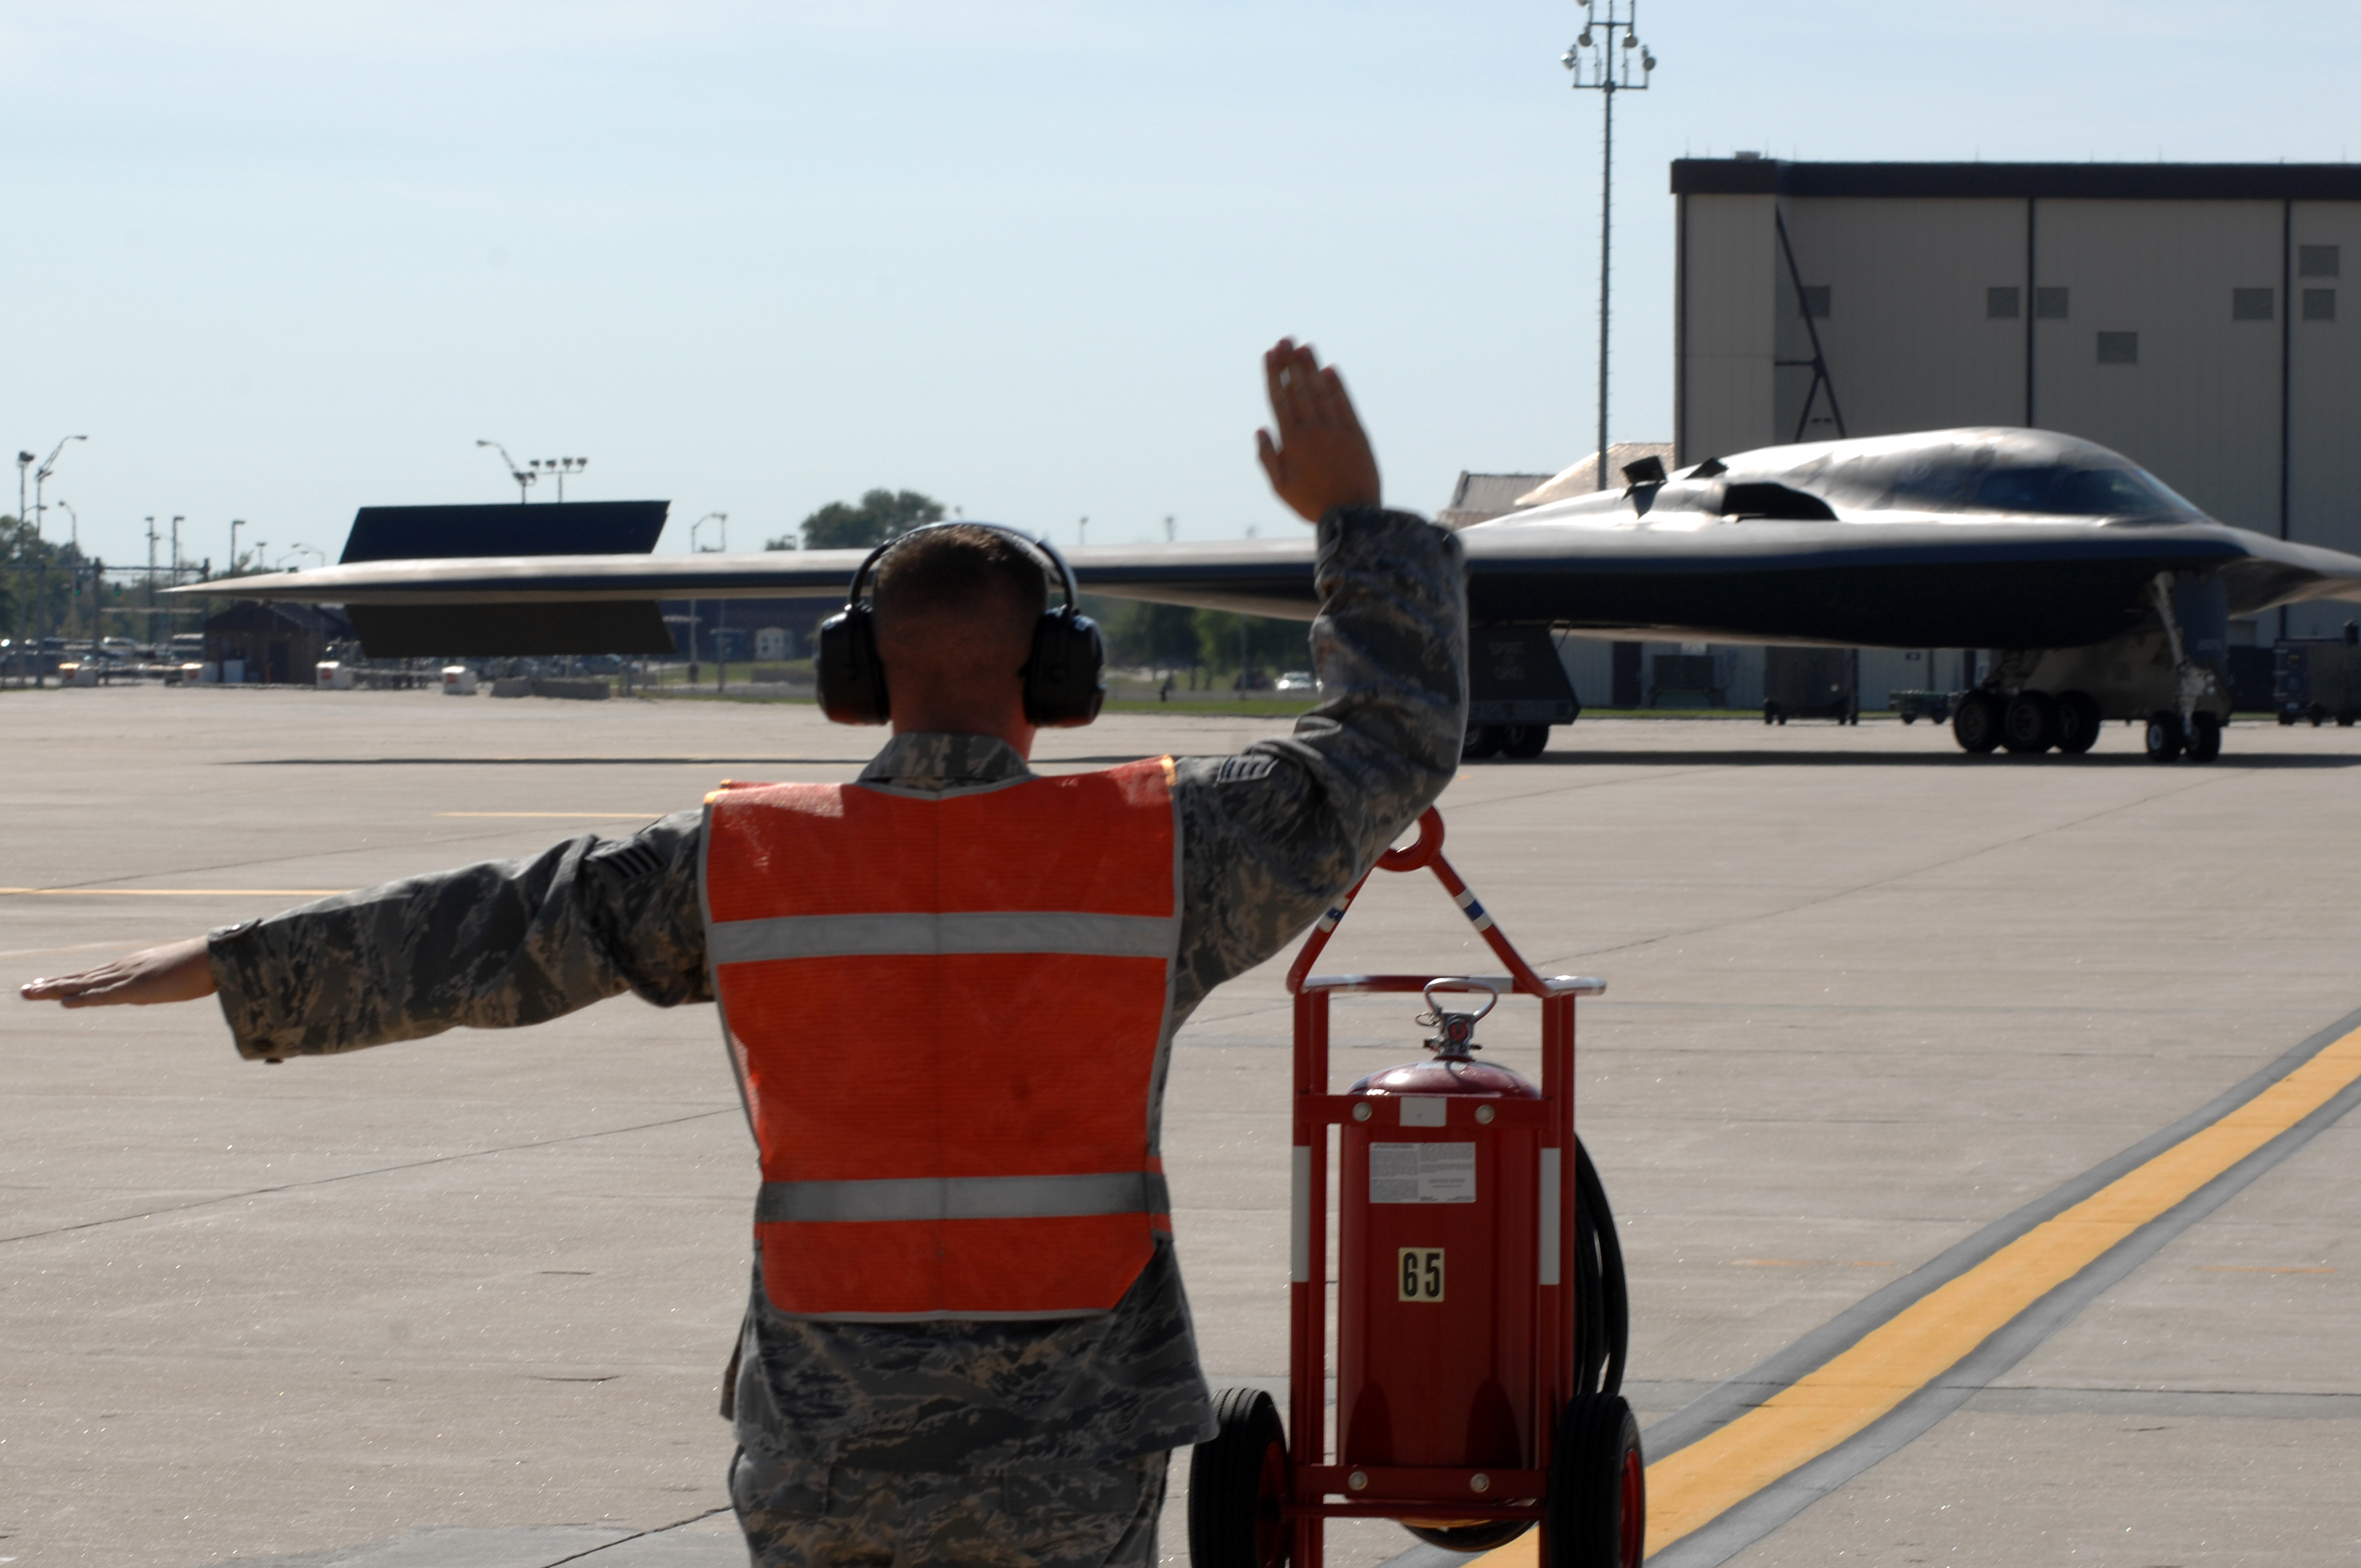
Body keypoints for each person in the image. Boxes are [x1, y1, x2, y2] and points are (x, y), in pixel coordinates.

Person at [20, 338, 1468, 1568]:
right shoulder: (1166, 846)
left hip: (831, 1444)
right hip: (1072, 1445)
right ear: (1062, 678)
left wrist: (238, 960)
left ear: (858, 676)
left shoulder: (748, 858)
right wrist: (1358, 525)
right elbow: (1392, 739)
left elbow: (490, 929)